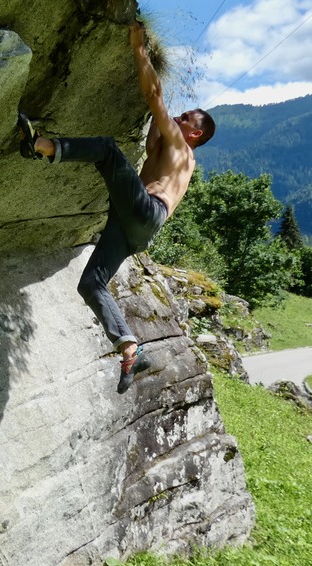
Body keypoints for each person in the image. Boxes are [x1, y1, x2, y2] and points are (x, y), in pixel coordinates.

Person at [17, 22, 216, 393]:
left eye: (186, 118)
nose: (178, 117)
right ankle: (129, 349)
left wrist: (139, 48)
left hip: (146, 210)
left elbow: (155, 97)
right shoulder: (169, 149)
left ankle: (41, 145)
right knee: (92, 283)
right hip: (136, 227)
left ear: (194, 134)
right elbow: (154, 108)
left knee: (107, 150)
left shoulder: (182, 149)